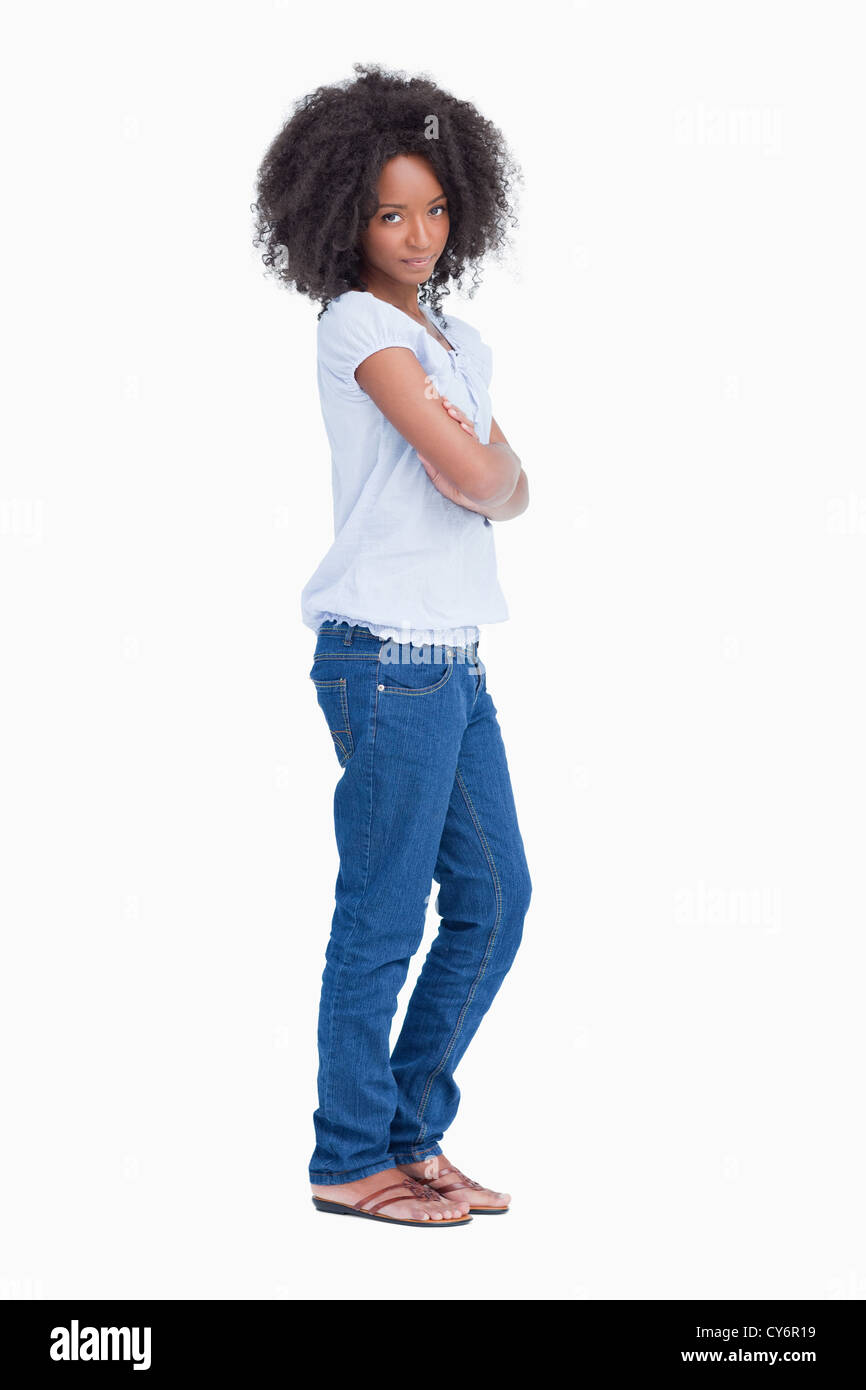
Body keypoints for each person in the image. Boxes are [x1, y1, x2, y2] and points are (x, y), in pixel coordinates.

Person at [253, 63, 532, 1227]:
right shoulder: (361, 328)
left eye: (431, 208)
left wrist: (486, 471)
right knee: (381, 912)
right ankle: (349, 1156)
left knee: (495, 896)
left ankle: (410, 1134)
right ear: (339, 219)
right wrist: (485, 472)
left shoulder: (448, 336)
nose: (415, 234)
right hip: (382, 658)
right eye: (386, 213)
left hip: (453, 656)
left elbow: (504, 488)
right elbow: (483, 474)